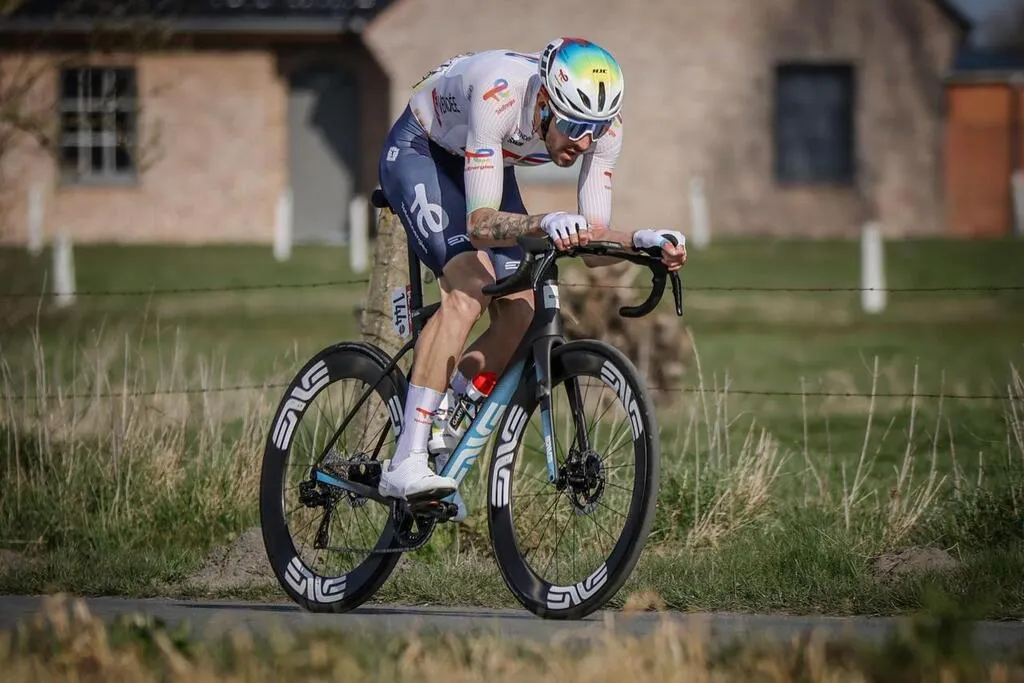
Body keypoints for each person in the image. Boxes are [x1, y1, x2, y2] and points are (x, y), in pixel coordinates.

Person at [375, 37, 687, 507]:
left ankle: (444, 412)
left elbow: (594, 246)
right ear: (544, 102)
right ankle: (405, 462)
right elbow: (480, 226)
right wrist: (543, 221)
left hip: (486, 160)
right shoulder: (498, 97)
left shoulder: (605, 132)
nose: (584, 141)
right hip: (423, 150)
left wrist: (641, 241)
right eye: (575, 124)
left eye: (595, 128)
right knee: (471, 288)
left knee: (521, 313)